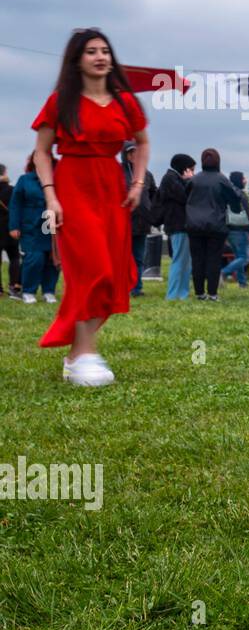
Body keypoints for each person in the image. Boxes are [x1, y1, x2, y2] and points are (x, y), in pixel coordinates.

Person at [29, 28, 150, 386]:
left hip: (112, 190)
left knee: (116, 275)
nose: (100, 57)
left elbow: (142, 143)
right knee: (91, 271)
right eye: (91, 52)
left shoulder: (126, 102)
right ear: (76, 60)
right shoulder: (60, 102)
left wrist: (138, 182)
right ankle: (85, 353)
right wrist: (51, 196)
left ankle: (76, 355)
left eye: (105, 51)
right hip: (72, 187)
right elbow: (41, 151)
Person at [186, 148, 241, 300]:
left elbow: (185, 197)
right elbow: (234, 199)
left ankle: (199, 293)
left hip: (194, 225)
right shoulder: (222, 179)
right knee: (213, 259)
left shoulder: (194, 180)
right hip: (216, 224)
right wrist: (235, 209)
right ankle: (212, 293)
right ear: (218, 161)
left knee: (197, 259)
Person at [7, 154, 59, 303]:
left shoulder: (58, 179)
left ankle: (49, 291)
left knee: (51, 258)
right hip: (31, 225)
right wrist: (14, 226)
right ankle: (28, 291)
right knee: (34, 258)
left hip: (51, 223)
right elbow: (15, 204)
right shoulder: (25, 180)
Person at [118, 141, 155, 297]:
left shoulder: (146, 174)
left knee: (139, 257)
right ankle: (121, 287)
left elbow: (154, 193)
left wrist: (150, 211)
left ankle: (136, 287)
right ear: (125, 154)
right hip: (123, 223)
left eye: (136, 152)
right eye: (131, 153)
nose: (134, 155)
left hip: (142, 223)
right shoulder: (118, 172)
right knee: (122, 258)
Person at [157, 152, 194, 300]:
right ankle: (173, 294)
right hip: (178, 225)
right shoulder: (171, 179)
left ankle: (182, 293)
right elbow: (185, 198)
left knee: (185, 261)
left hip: (179, 225)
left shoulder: (172, 178)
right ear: (183, 168)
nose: (192, 172)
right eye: (190, 169)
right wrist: (188, 181)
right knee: (180, 260)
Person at [220, 171, 249, 288]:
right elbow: (247, 215)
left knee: (238, 256)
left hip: (230, 228)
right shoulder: (240, 194)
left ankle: (242, 282)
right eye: (243, 178)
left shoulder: (228, 192)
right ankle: (223, 272)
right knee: (245, 257)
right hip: (241, 228)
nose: (245, 180)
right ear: (238, 180)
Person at [0, 164, 19, 299]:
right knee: (14, 258)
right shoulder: (12, 190)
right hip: (10, 228)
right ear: (5, 173)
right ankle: (13, 286)